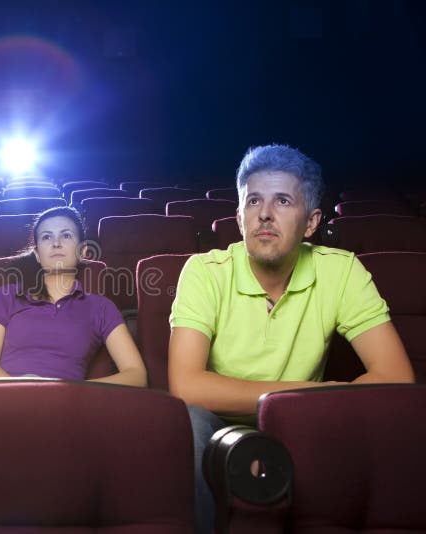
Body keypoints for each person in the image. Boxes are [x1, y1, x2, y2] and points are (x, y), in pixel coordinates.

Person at [168, 144, 415, 533]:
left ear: (312, 222)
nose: (264, 213)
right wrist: (308, 390)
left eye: (282, 200)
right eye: (253, 201)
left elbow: (397, 378)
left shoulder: (342, 271)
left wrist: (303, 406)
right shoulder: (203, 271)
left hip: (306, 422)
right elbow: (187, 385)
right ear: (239, 216)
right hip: (220, 424)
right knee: (188, 422)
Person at [0, 206, 147, 387]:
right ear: (37, 255)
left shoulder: (102, 308)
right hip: (6, 400)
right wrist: (26, 394)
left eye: (66, 235)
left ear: (83, 251)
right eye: (46, 237)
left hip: (69, 406)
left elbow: (136, 375)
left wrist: (69, 394)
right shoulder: (7, 295)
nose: (56, 243)